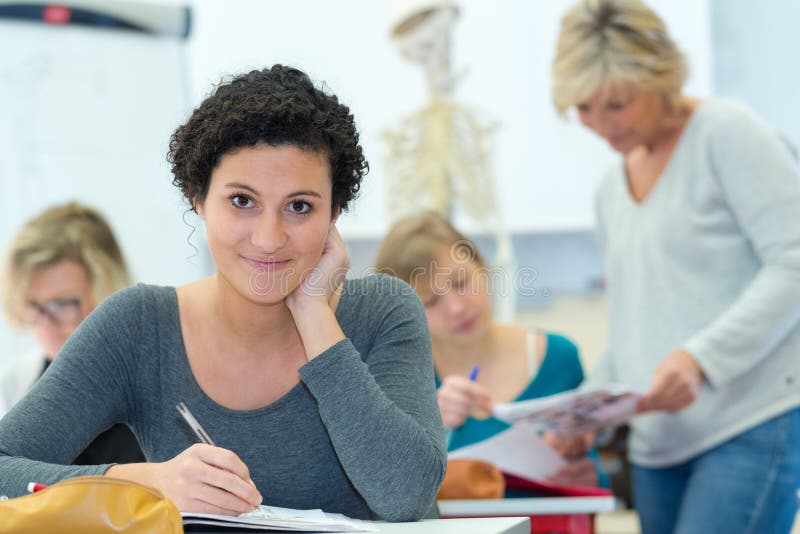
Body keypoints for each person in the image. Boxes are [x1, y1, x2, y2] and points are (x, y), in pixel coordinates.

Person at [0, 65, 446, 522]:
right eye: (242, 201)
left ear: (334, 213)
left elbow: (406, 496)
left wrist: (313, 312)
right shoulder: (138, 327)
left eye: (299, 207)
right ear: (199, 198)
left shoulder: (384, 311)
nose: (269, 237)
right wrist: (145, 482)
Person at [552, 1, 800, 532]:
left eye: (616, 104)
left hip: (749, 424)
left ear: (658, 74)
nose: (600, 125)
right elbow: (632, 327)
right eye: (585, 108)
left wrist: (699, 359)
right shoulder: (611, 191)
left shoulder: (725, 133)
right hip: (657, 447)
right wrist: (586, 412)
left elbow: (794, 263)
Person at [374, 211, 607, 492]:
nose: (458, 308)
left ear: (482, 268)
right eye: (431, 302)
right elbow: (385, 491)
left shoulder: (558, 358)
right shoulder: (397, 381)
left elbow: (593, 469)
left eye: (461, 283)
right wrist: (428, 424)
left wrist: (587, 478)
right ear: (404, 314)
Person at [0, 202, 145, 466]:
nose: (46, 326)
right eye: (34, 306)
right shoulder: (16, 383)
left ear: (107, 295)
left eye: (62, 304)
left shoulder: (152, 380)